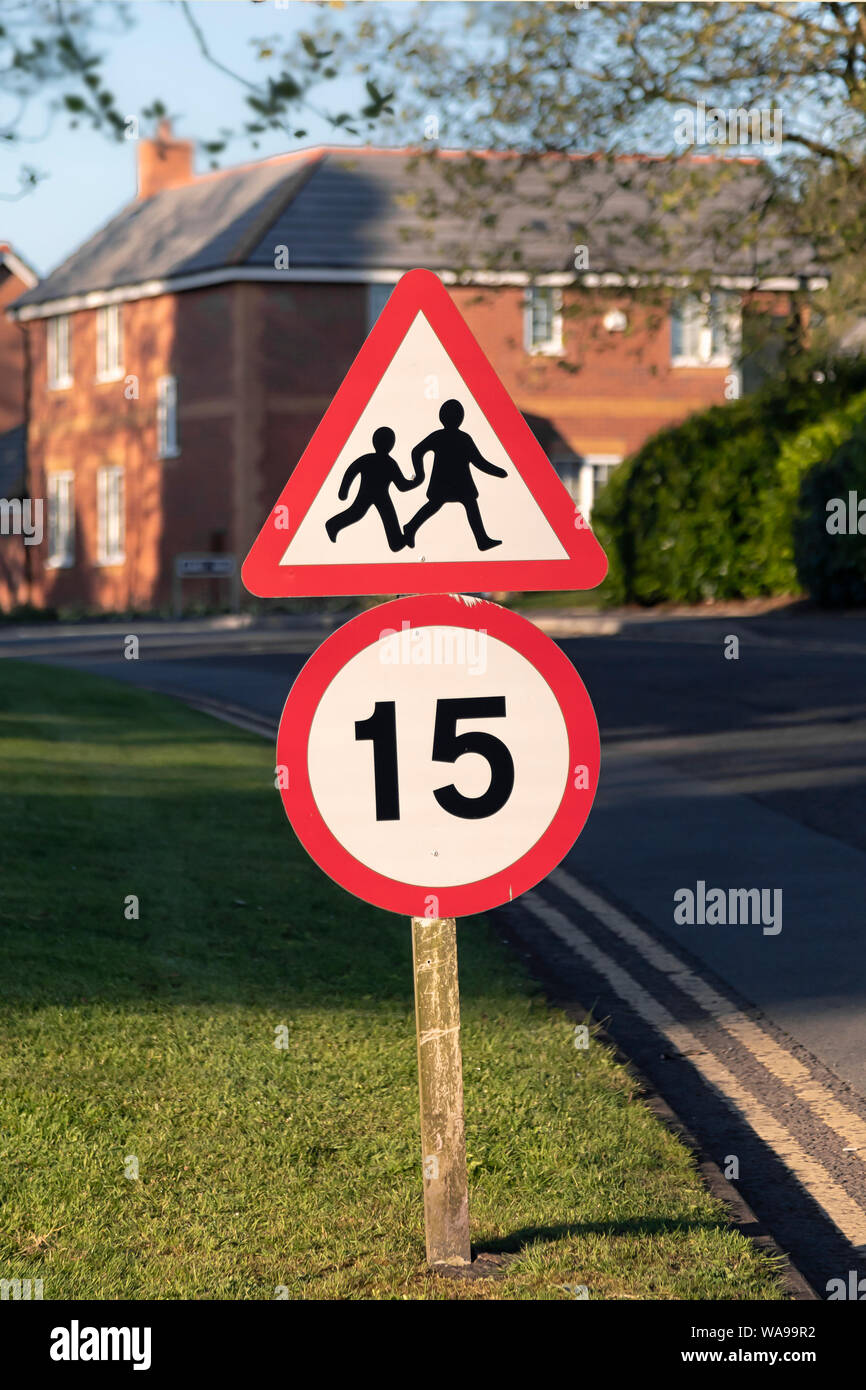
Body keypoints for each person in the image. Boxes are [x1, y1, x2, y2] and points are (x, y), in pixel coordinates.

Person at [403, 399, 507, 551]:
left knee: (452, 504)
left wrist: (420, 474)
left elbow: (478, 461)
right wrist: (420, 474)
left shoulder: (447, 437)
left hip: (452, 482)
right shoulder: (461, 438)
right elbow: (479, 462)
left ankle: (481, 539)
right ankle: (411, 527)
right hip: (455, 482)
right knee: (451, 504)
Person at [325, 426, 420, 552]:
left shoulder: (376, 460)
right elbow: (402, 485)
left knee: (361, 513)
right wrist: (417, 481)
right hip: (374, 494)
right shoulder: (387, 462)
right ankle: (332, 524)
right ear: (391, 444)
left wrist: (344, 491)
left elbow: (351, 471)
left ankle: (396, 541)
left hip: (375, 495)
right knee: (358, 513)